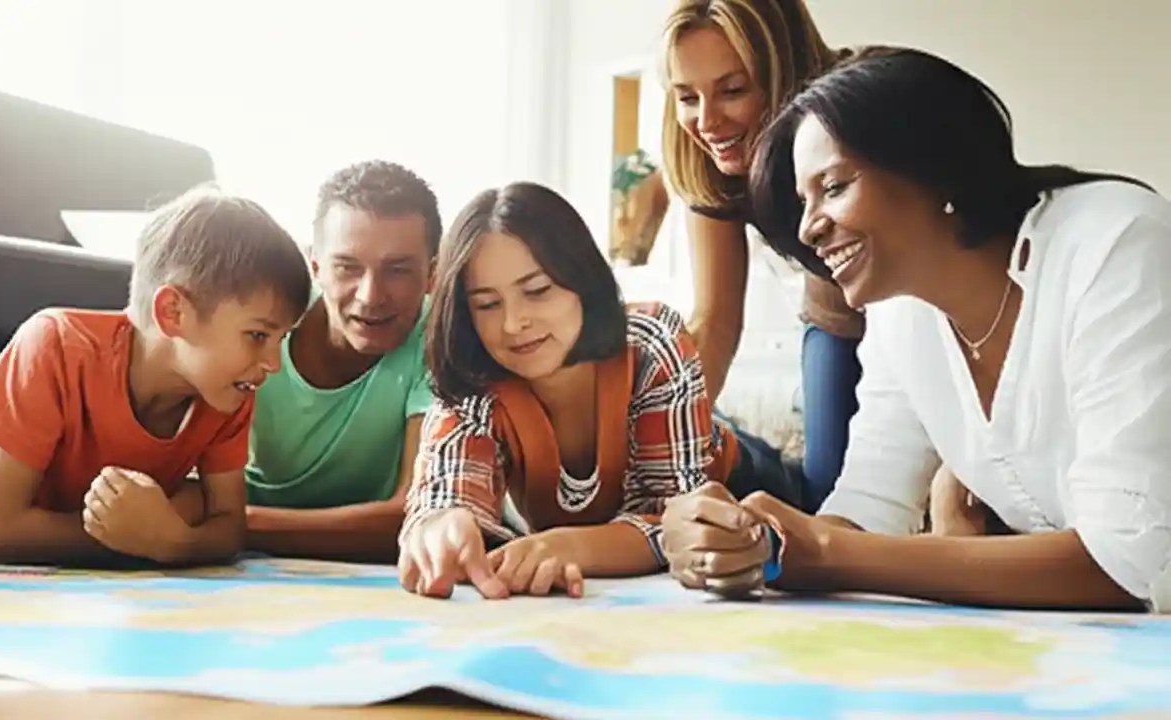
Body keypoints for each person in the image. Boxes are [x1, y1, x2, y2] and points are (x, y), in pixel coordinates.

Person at [661, 47, 1171, 612]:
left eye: (834, 187)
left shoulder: (1116, 245)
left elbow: (1128, 563)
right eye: (804, 201)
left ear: (932, 165)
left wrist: (825, 551)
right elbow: (866, 508)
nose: (808, 229)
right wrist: (748, 542)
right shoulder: (902, 311)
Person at [396, 182, 800, 601]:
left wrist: (563, 546)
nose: (513, 323)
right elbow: (446, 498)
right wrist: (441, 525)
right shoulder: (469, 378)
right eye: (487, 304)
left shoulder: (651, 344)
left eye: (537, 291)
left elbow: (676, 524)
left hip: (741, 482)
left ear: (581, 281)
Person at [0, 186, 311, 565]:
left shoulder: (229, 390)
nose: (273, 363)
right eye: (258, 335)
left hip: (58, 529)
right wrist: (143, 535)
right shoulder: (55, 344)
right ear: (173, 313)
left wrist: (171, 541)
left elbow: (229, 527)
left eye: (281, 339)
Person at [661, 0, 862, 510]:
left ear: (783, 71)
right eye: (687, 97)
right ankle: (747, 465)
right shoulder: (710, 168)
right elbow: (715, 321)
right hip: (836, 315)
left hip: (926, 304)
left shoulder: (859, 102)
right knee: (827, 497)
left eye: (732, 90)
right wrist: (663, 451)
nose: (707, 121)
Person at [244, 161, 439, 562]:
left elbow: (416, 516)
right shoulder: (257, 317)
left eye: (398, 270)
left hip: (243, 533)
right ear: (315, 266)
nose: (371, 295)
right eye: (348, 267)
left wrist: (231, 525)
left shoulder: (441, 339)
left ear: (432, 274)